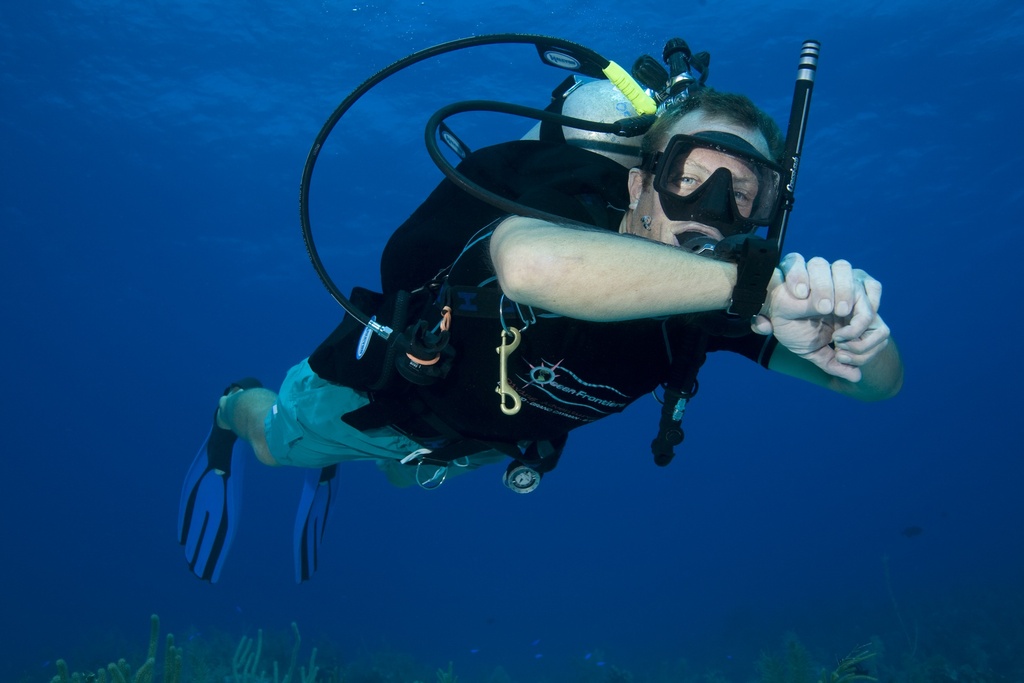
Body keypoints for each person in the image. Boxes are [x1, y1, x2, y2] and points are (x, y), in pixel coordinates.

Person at [178, 84, 903, 583]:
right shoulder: (572, 206)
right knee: (274, 443)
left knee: (403, 477)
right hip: (377, 396)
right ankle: (231, 404)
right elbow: (529, 264)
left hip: (476, 442)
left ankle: (353, 463)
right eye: (690, 176)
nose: (711, 208)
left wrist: (850, 326)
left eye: (742, 192)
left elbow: (875, 386)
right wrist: (752, 287)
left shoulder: (718, 308)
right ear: (639, 184)